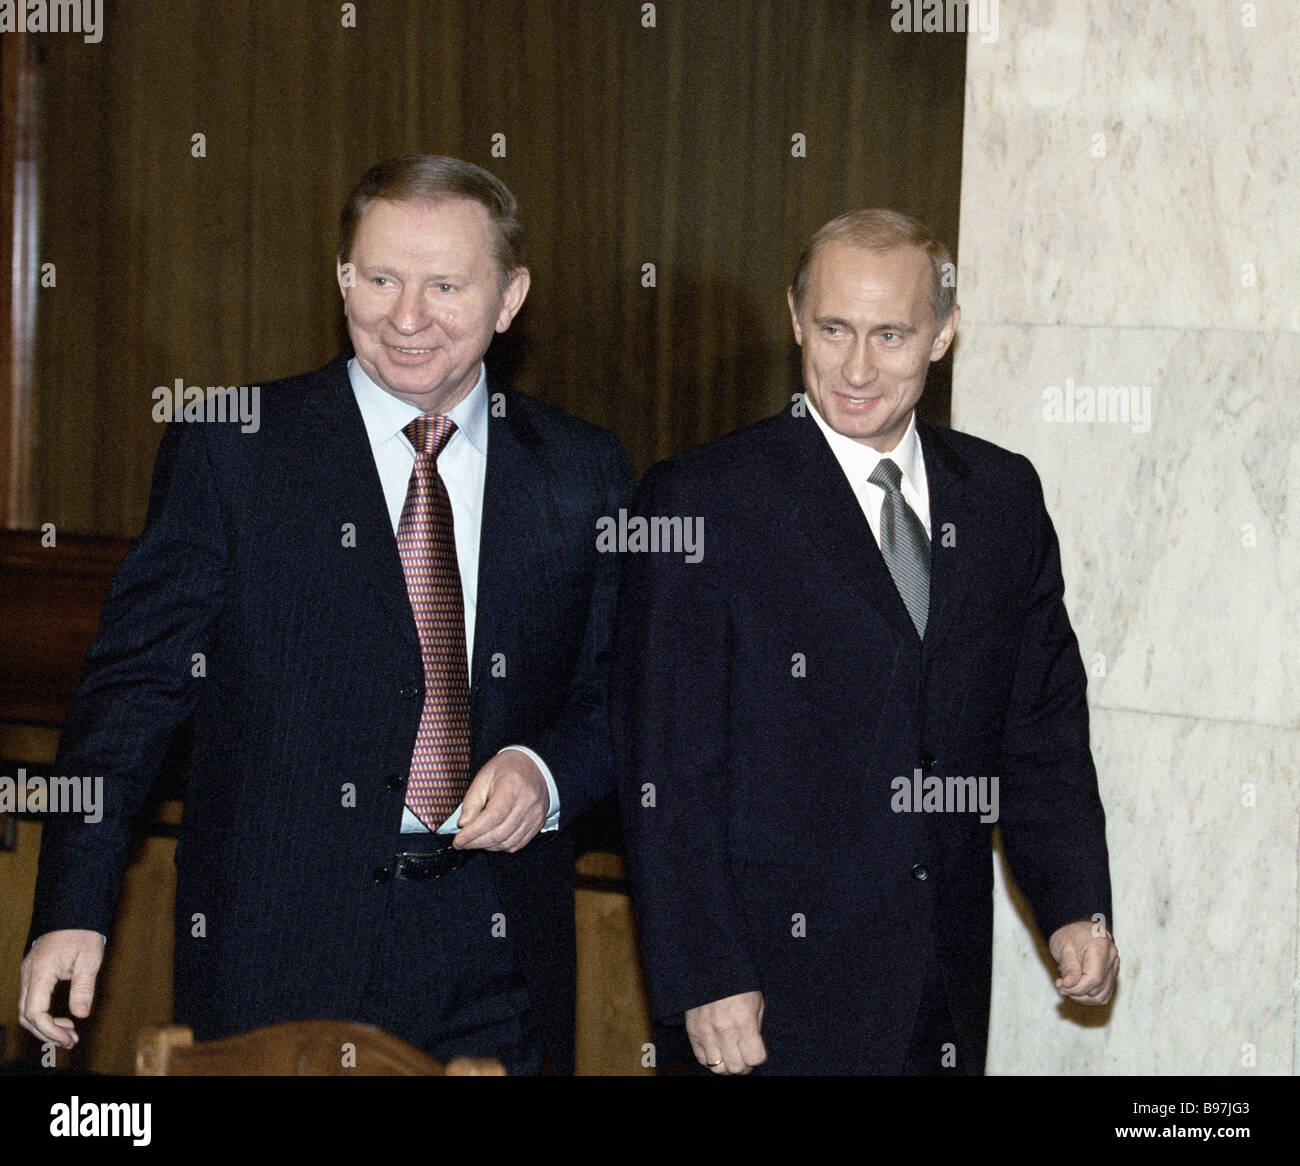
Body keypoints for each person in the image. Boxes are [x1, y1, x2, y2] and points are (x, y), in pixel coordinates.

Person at [19, 155, 633, 1075]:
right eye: (379, 278)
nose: (406, 316)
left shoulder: (581, 473)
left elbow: (621, 692)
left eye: (444, 286)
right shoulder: (235, 451)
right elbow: (132, 693)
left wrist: (547, 771)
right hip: (276, 954)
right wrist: (72, 905)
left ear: (510, 299)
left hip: (498, 954)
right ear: (342, 278)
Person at [612, 208, 1119, 1075]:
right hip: (765, 999)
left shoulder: (1001, 498)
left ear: (943, 334)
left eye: (891, 334)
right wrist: (705, 972)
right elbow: (665, 762)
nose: (855, 368)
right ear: (796, 318)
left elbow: (1040, 728)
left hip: (941, 990)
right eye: (834, 328)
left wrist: (1075, 905)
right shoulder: (701, 499)